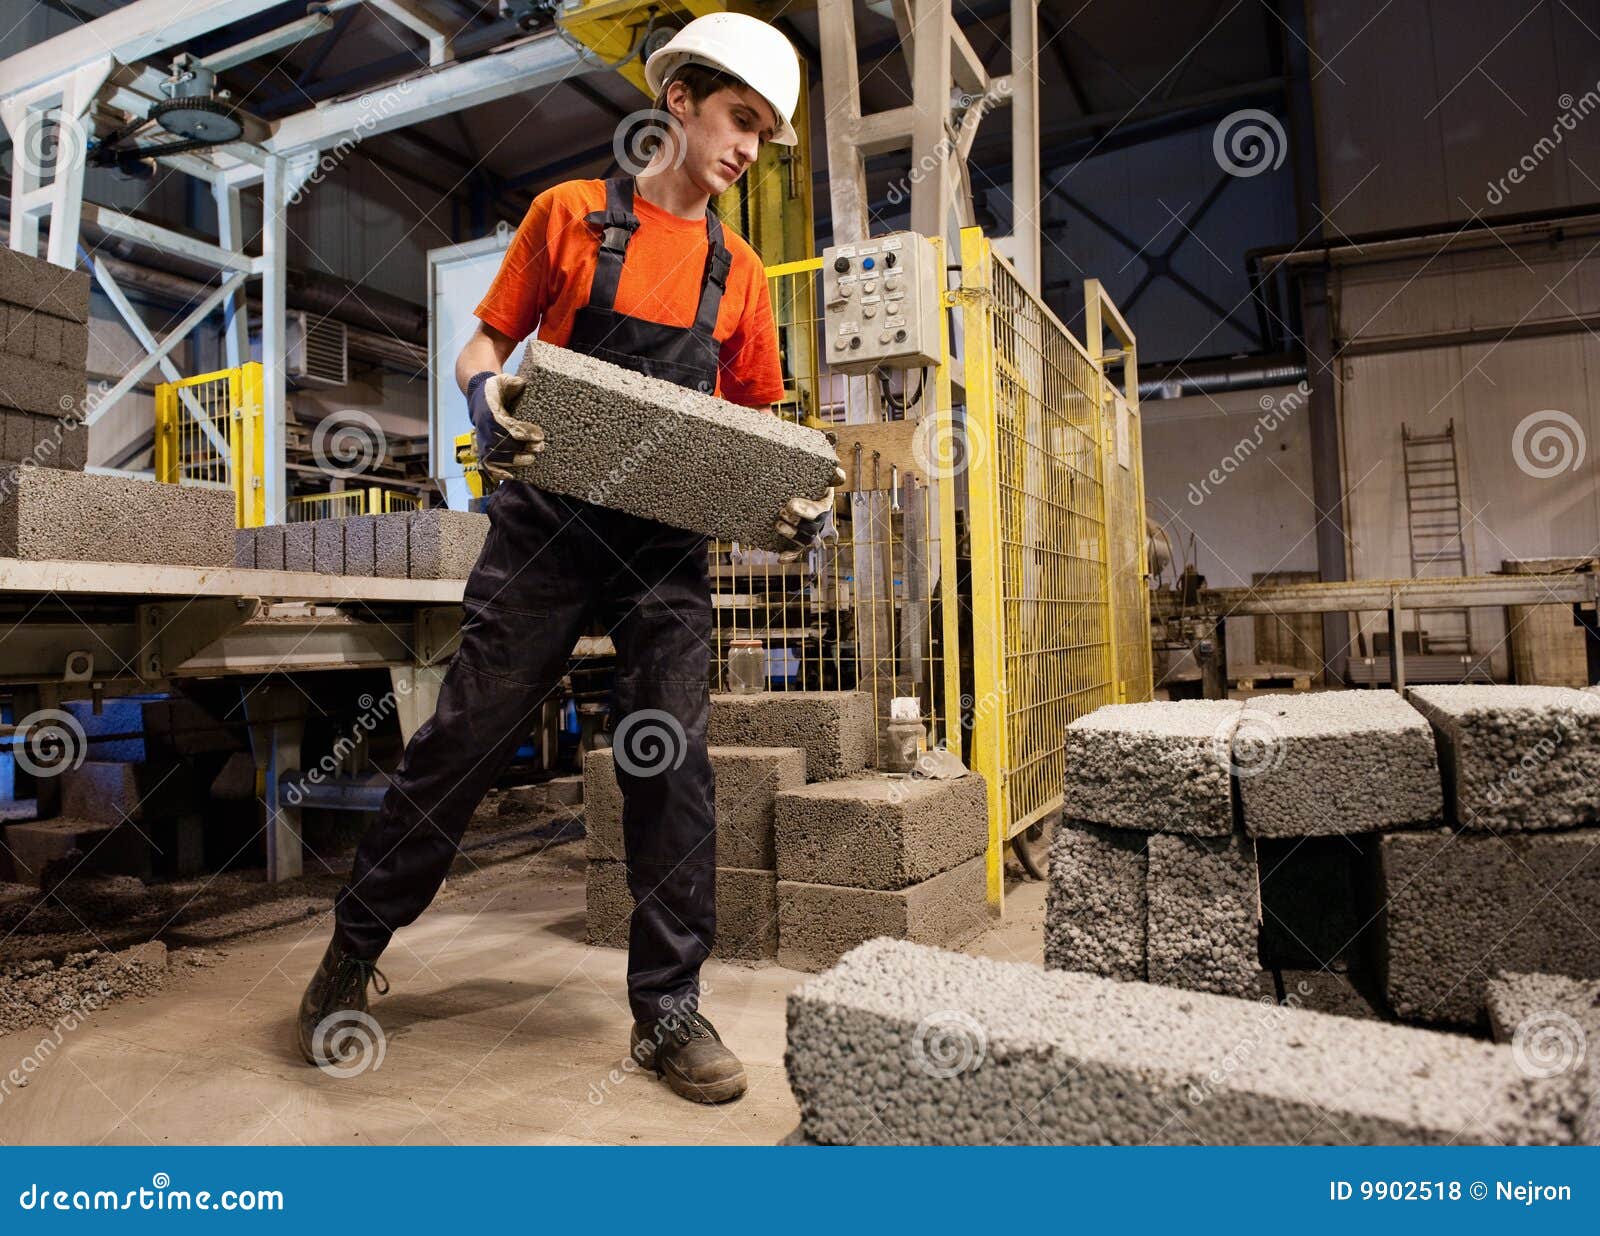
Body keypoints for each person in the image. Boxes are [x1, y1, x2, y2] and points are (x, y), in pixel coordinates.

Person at [294, 12, 835, 1105]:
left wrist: (792, 495)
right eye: (738, 118)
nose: (747, 148)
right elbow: (484, 345)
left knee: (668, 766)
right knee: (464, 740)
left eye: (765, 133)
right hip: (548, 524)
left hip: (664, 552)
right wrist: (482, 393)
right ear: (677, 100)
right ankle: (354, 945)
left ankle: (669, 1009)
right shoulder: (571, 217)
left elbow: (755, 427)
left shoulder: (740, 274)